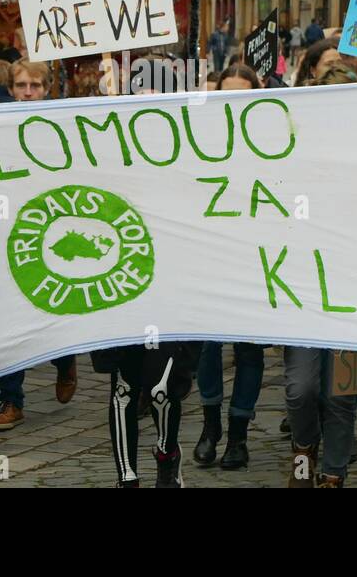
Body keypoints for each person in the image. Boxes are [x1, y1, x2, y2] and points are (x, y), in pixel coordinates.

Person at [93, 58, 201, 487]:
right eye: (141, 92)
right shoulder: (109, 152)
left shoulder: (193, 154)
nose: (149, 100)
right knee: (122, 391)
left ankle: (166, 455)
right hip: (122, 290)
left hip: (173, 293)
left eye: (159, 93)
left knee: (160, 391)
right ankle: (127, 478)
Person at [283, 61, 357, 487]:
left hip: (355, 290)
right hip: (302, 292)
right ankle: (303, 455)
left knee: (341, 393)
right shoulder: (292, 160)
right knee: (301, 390)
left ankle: (333, 474)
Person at [0, 58, 77, 430]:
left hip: (53, 228)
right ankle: (11, 400)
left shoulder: (60, 126)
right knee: (10, 315)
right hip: (9, 228)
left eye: (35, 86)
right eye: (22, 86)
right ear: (11, 89)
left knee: (51, 307)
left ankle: (65, 357)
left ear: (46, 89)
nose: (28, 93)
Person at [192, 63, 267, 470]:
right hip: (209, 259)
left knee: (249, 351)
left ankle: (238, 435)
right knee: (207, 347)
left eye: (243, 94)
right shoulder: (200, 139)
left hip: (254, 260)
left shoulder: (273, 139)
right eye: (226, 94)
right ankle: (210, 427)